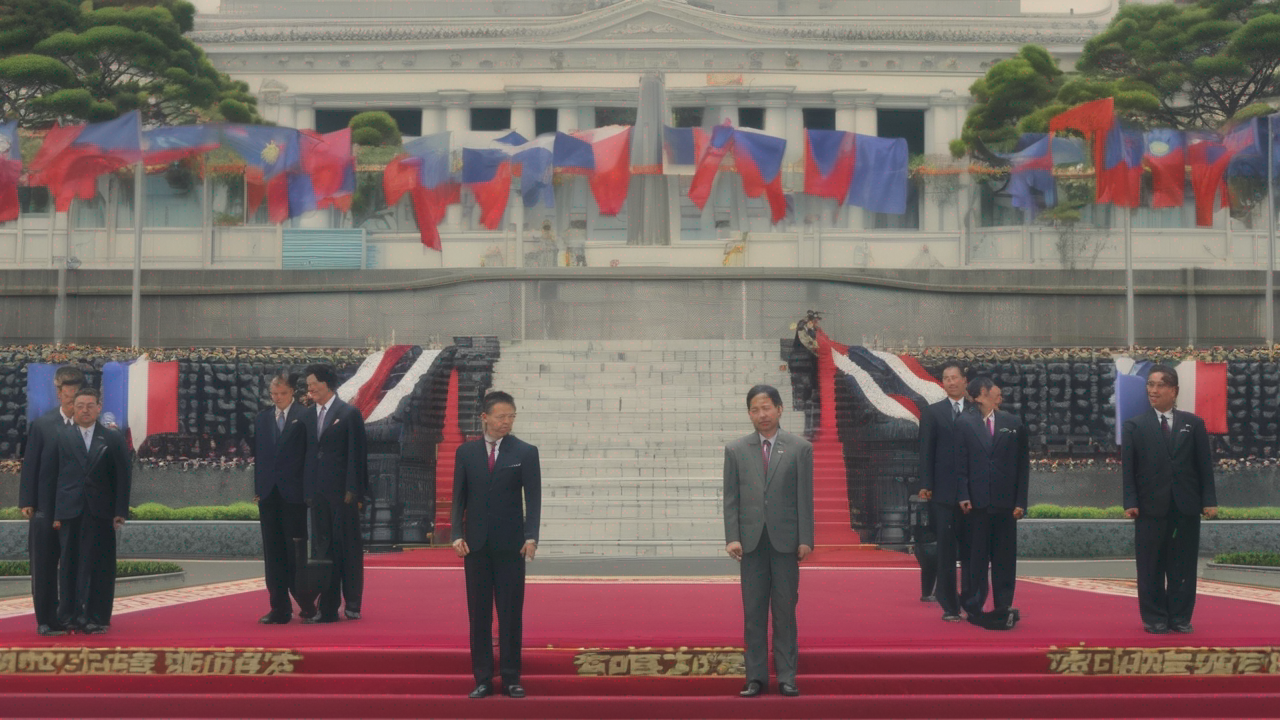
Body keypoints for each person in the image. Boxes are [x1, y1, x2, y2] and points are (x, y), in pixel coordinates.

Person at [723, 385, 814, 698]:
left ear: (779, 409)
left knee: (786, 612)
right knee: (754, 613)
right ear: (749, 413)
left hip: (786, 543)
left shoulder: (799, 448)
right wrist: (732, 537)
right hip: (750, 544)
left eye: (767, 408)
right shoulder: (735, 450)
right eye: (755, 410)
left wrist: (806, 539)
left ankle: (787, 676)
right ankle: (756, 678)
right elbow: (731, 499)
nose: (762, 415)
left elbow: (805, 497)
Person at [451, 391, 542, 700]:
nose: (507, 422)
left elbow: (534, 499)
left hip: (511, 547)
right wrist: (455, 534)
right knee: (479, 617)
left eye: (512, 416)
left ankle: (512, 677)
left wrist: (531, 537)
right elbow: (458, 498)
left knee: (510, 614)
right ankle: (483, 679)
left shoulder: (526, 452)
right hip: (475, 547)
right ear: (484, 418)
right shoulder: (466, 453)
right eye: (501, 417)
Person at [1122, 364, 1217, 635]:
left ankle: (1180, 617)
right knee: (1150, 566)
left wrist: (1209, 500)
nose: (1153, 390)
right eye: (1150, 385)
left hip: (1185, 507)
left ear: (1174, 390)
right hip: (1150, 508)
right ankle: (1154, 617)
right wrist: (1130, 501)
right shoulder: (1135, 426)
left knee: (1182, 565)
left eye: (1159, 385)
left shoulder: (1193, 424)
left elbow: (1204, 466)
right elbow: (1128, 469)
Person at [41, 387, 131, 634]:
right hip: (69, 510)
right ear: (73, 407)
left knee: (100, 565)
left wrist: (120, 510)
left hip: (100, 512)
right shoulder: (61, 435)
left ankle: (97, 616)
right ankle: (69, 615)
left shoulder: (112, 438)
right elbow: (51, 476)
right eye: (80, 405)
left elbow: (123, 476)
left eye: (90, 405)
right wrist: (52, 512)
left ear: (98, 408)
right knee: (69, 564)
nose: (85, 410)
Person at [955, 376, 1028, 630]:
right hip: (976, 504)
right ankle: (974, 605)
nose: (1000, 392)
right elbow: (960, 464)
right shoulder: (964, 423)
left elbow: (1022, 467)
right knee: (976, 558)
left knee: (1005, 559)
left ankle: (1003, 605)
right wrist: (963, 494)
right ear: (983, 393)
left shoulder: (1013, 423)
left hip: (1006, 504)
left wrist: (1021, 501)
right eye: (996, 388)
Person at [19, 366, 85, 636]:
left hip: (76, 510)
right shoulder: (43, 425)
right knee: (44, 567)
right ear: (59, 394)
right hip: (45, 509)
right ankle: (45, 620)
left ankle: (70, 616)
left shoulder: (90, 426)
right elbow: (30, 465)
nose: (74, 403)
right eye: (69, 399)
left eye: (78, 399)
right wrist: (28, 501)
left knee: (74, 567)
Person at [302, 364, 367, 624]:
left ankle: (352, 603)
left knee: (348, 548)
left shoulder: (349, 413)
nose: (309, 389)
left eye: (313, 383)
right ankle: (327, 607)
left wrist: (354, 489)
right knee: (322, 550)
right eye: (307, 385)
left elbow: (357, 454)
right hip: (316, 494)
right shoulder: (306, 416)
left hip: (342, 494)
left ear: (327, 383)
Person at [253, 373, 314, 624]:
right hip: (268, 495)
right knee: (273, 553)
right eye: (274, 394)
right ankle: (279, 608)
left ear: (292, 393)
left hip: (294, 495)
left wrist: (309, 490)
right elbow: (261, 456)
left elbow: (310, 456)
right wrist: (258, 487)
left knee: (295, 554)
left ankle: (307, 604)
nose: (278, 398)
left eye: (283, 394)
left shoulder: (305, 416)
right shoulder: (262, 418)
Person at [917, 360, 972, 621]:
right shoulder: (932, 413)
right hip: (943, 494)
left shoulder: (976, 411)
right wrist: (926, 485)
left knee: (973, 552)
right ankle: (950, 606)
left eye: (954, 377)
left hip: (974, 495)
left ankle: (972, 602)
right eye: (946, 378)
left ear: (964, 380)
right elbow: (925, 452)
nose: (950, 382)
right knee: (946, 553)